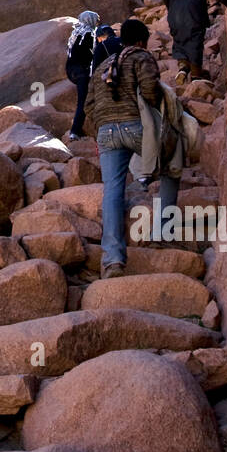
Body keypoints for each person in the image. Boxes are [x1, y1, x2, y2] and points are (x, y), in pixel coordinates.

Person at [84, 17, 161, 278]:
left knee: (112, 191)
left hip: (106, 132)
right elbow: (151, 90)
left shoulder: (103, 66)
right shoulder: (141, 57)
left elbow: (88, 106)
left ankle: (113, 260)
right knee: (170, 164)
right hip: (135, 126)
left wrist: (101, 128)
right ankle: (163, 231)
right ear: (141, 41)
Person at [160, 0, 227, 88]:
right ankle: (196, 74)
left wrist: (171, 6)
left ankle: (183, 67)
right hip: (194, 12)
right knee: (195, 40)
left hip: (175, 13)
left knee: (179, 39)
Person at [65, 10, 99, 140]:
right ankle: (75, 131)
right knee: (83, 102)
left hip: (71, 71)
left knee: (83, 100)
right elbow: (93, 55)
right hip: (82, 73)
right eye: (96, 20)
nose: (97, 22)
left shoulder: (75, 33)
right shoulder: (90, 35)